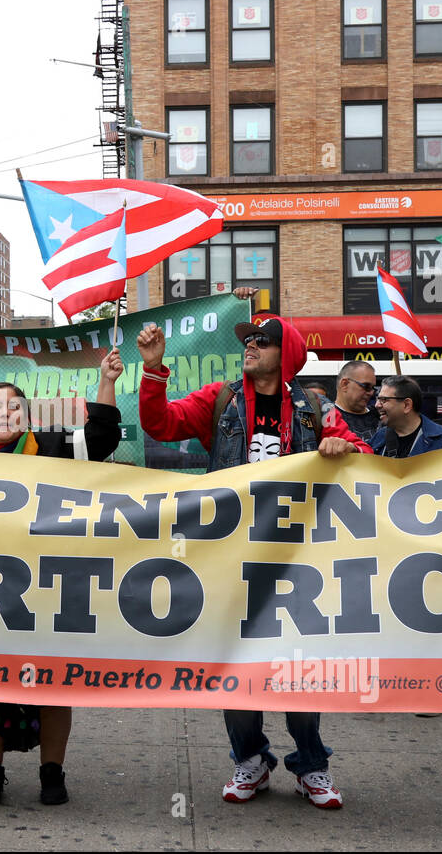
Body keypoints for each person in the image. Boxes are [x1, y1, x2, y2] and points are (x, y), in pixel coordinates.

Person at [137, 316, 371, 809]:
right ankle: (250, 760)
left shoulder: (314, 407)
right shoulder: (220, 399)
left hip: (298, 562)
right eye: (249, 339)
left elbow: (366, 455)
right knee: (234, 666)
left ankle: (312, 766)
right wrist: (154, 370)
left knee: (300, 665)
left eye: (263, 341)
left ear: (284, 355)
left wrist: (344, 445)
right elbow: (159, 424)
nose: (251, 346)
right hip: (231, 559)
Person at [0, 350, 124, 806]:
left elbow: (103, 438)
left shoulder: (53, 448)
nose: (3, 412)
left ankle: (53, 773)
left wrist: (106, 381)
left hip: (46, 592)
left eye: (13, 407)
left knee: (51, 683)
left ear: (27, 418)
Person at [369, 375, 442, 457]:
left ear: (407, 405)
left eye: (383, 400)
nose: (377, 405)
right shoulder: (379, 437)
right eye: (377, 399)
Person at [333, 360, 379, 443]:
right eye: (366, 386)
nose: (371, 393)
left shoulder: (380, 415)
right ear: (345, 384)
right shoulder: (327, 418)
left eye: (373, 388)